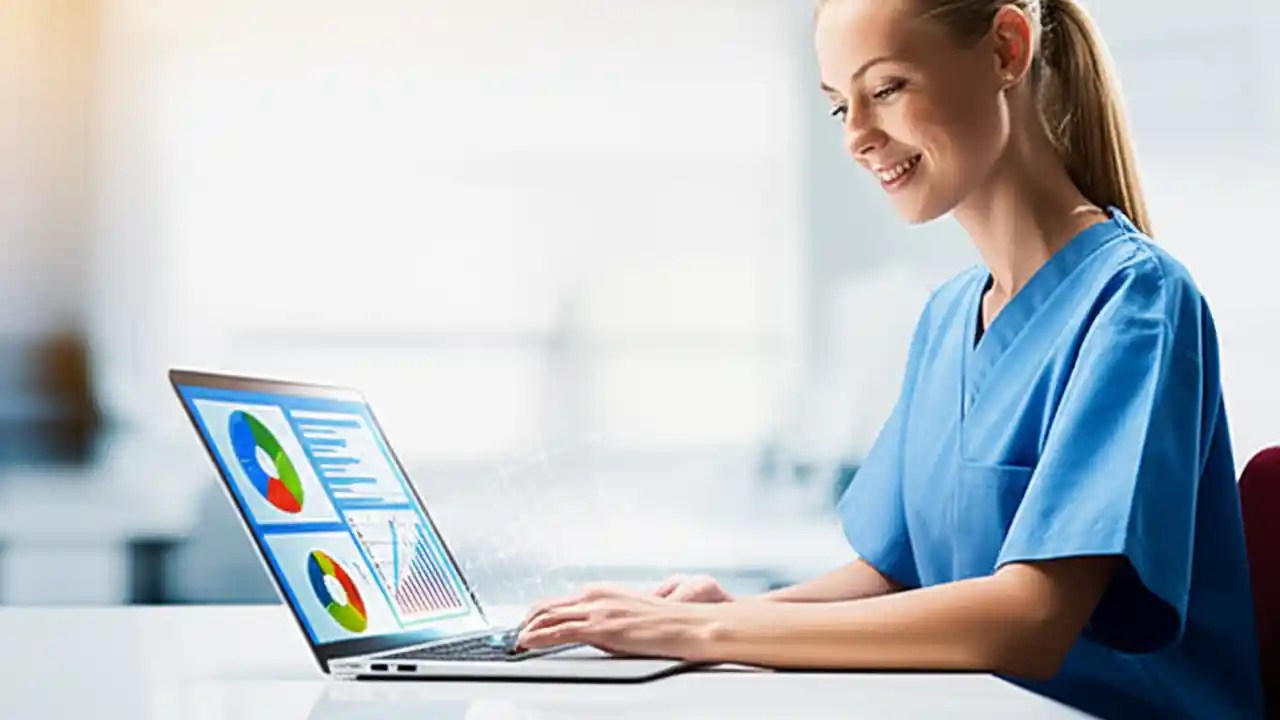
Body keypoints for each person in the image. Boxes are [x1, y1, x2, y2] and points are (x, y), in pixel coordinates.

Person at [515, 1, 1264, 717]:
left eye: (887, 88)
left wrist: (698, 635)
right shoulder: (947, 319)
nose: (857, 137)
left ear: (1007, 50)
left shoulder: (1138, 301)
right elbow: (892, 577)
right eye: (842, 106)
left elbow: (1029, 618)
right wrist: (722, 614)